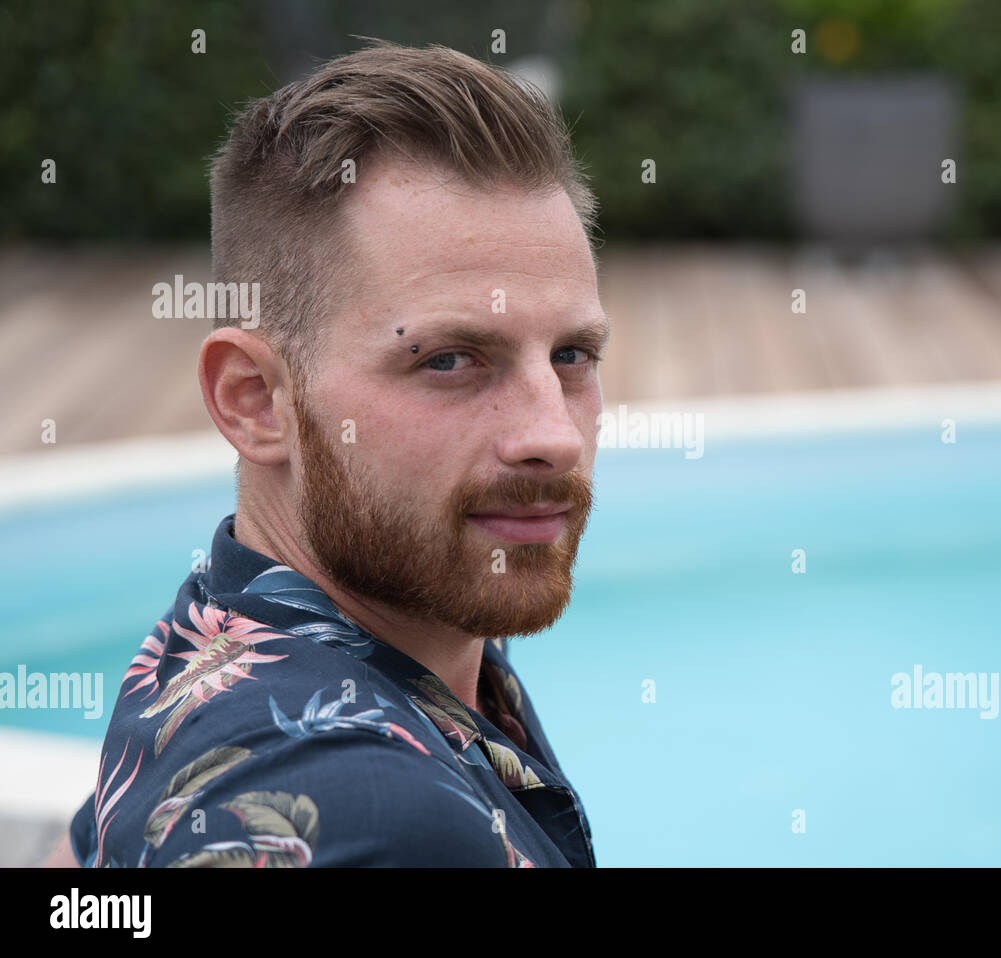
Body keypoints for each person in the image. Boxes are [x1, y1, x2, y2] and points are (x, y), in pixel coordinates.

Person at [43, 40, 605, 867]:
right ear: (255, 400)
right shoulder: (370, 823)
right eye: (448, 360)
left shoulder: (226, 628)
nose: (552, 435)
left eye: (571, 356)